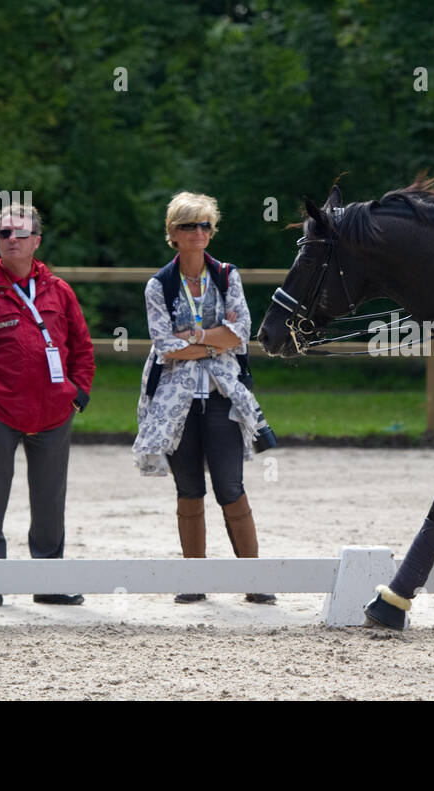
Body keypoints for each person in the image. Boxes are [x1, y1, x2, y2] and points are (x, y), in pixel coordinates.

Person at [133, 191, 275, 605]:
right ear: (172, 234)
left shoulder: (228, 276)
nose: (198, 232)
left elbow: (242, 331)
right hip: (175, 401)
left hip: (221, 397)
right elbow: (164, 346)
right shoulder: (159, 284)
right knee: (189, 488)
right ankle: (193, 577)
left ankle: (254, 578)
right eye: (188, 226)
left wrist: (193, 338)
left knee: (230, 486)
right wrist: (216, 339)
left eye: (205, 225)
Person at [0, 204, 95, 607]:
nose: (10, 239)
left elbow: (82, 347)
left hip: (54, 413)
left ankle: (48, 581)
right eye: (2, 233)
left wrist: (77, 392)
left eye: (19, 233)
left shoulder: (59, 290)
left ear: (37, 241)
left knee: (49, 497)